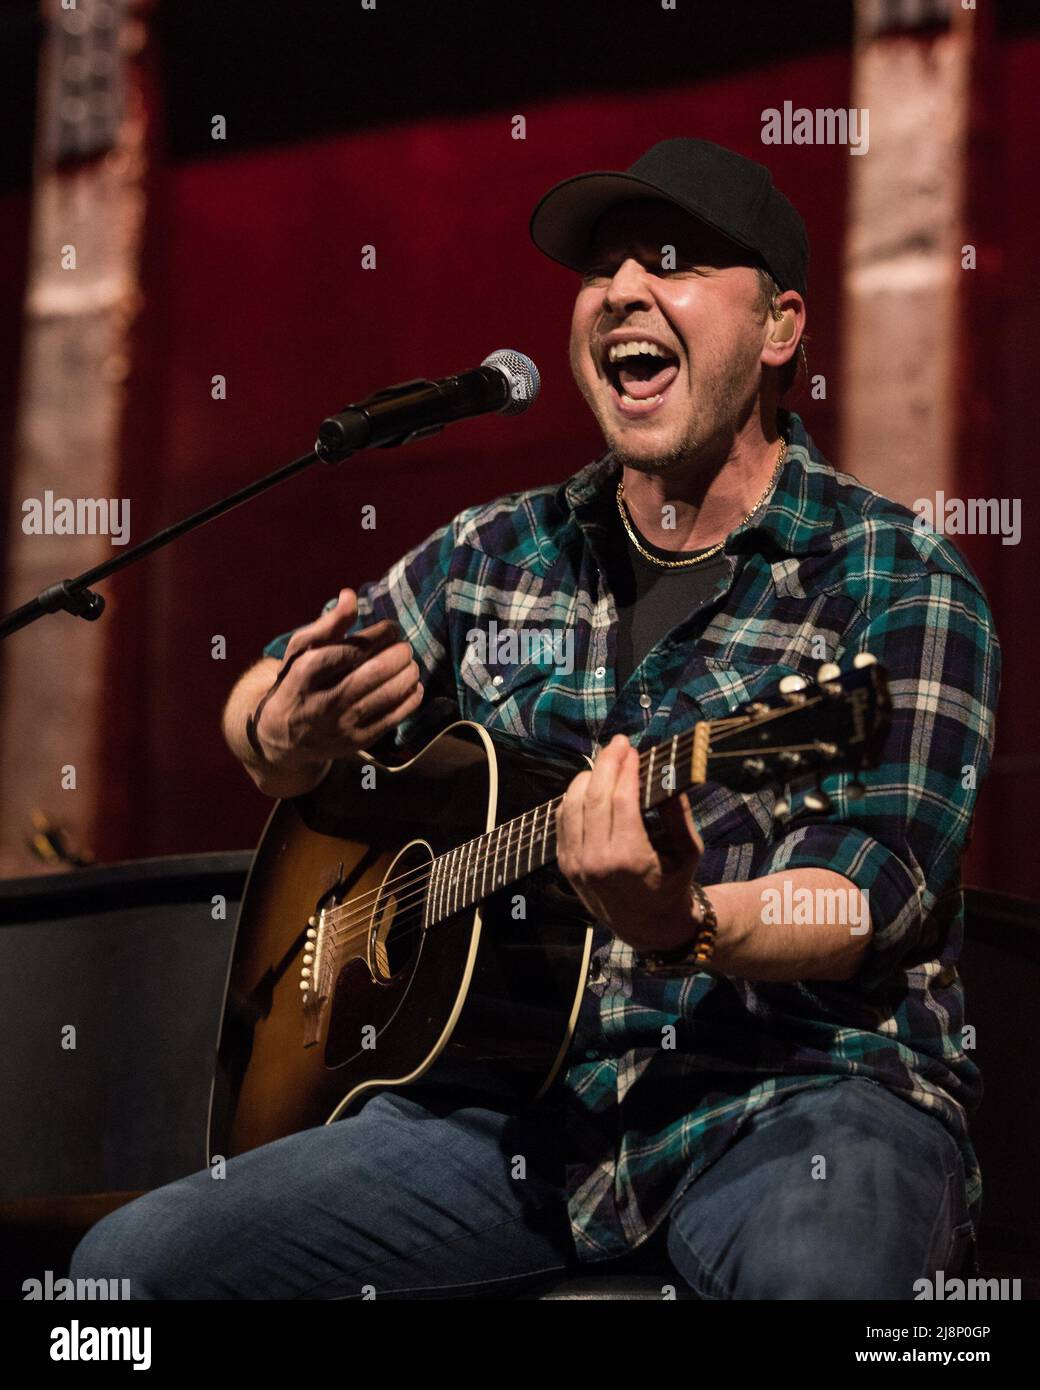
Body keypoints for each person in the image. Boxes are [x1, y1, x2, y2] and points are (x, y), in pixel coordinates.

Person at [71, 138, 1000, 1299]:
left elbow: (864, 891)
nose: (618, 291)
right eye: (598, 269)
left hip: (797, 1093)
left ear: (777, 327)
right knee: (123, 1276)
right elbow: (258, 710)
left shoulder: (893, 580)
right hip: (512, 1119)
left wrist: (680, 919)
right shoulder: (494, 555)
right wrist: (288, 727)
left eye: (667, 260)